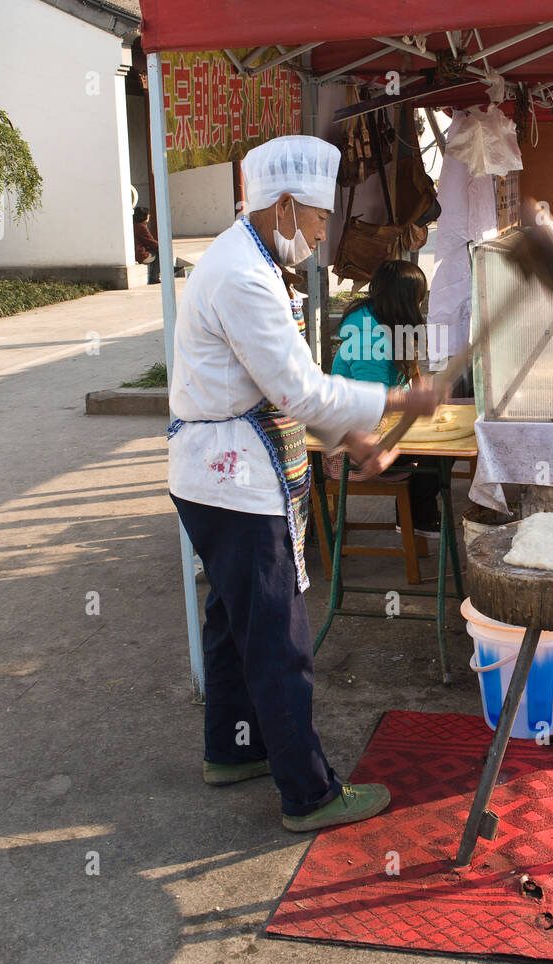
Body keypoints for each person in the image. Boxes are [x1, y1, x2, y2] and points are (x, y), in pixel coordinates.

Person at [167, 135, 445, 833]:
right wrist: (392, 406)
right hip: (231, 477)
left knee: (233, 624)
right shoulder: (241, 275)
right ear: (284, 206)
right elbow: (298, 388)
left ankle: (234, 750)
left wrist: (354, 438)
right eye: (319, 222)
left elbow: (285, 391)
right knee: (276, 639)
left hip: (223, 467)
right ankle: (307, 793)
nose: (322, 239)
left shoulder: (248, 258)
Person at [332, 258, 441, 536]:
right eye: (418, 299)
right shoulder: (369, 339)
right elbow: (375, 403)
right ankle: (416, 518)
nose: (420, 306)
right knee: (439, 453)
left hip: (382, 428)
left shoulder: (388, 323)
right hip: (356, 447)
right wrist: (413, 404)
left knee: (447, 442)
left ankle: (415, 514)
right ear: (404, 300)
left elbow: (409, 378)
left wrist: (420, 391)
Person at [133, 206, 160, 284]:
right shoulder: (141, 227)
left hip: (135, 253)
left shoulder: (134, 225)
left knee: (155, 250)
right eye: (148, 214)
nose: (149, 216)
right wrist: (162, 249)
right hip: (140, 255)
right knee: (159, 254)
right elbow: (150, 242)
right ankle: (154, 277)